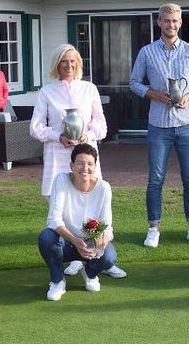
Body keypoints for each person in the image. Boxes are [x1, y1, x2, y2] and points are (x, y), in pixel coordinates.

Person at [30, 44, 126, 279]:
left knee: (91, 204)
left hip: (86, 155)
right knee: (62, 209)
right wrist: (57, 136)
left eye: (73, 61)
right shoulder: (47, 92)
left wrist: (87, 135)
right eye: (64, 61)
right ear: (57, 64)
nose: (69, 65)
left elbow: (101, 125)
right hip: (58, 155)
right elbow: (35, 127)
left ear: (79, 64)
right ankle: (74, 257)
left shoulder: (89, 88)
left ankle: (99, 256)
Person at [129, 3, 189, 248]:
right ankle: (153, 228)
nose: (171, 25)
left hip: (187, 124)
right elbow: (134, 82)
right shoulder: (146, 52)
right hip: (158, 125)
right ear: (159, 22)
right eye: (166, 20)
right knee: (155, 179)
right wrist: (154, 94)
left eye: (175, 21)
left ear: (181, 22)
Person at [38, 144, 119, 301]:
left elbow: (107, 228)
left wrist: (100, 243)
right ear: (71, 165)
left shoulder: (104, 188)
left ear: (95, 166)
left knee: (109, 257)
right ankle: (57, 280)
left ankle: (90, 273)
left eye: (90, 164)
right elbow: (53, 220)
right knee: (46, 237)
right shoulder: (61, 180)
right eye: (80, 163)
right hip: (66, 242)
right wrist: (75, 241)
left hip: (89, 244)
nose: (85, 168)